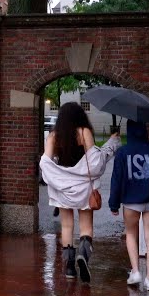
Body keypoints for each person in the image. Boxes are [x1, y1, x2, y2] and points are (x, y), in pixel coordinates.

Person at [40, 102, 116, 283]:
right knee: (86, 227)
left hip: (62, 189)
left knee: (66, 226)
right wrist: (110, 145)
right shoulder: (84, 133)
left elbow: (46, 164)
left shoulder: (53, 137)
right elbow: (95, 162)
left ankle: (69, 267)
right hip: (84, 187)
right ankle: (83, 255)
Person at [108, 120, 149, 291]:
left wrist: (114, 203)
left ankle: (136, 272)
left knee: (131, 234)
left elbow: (116, 180)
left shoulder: (123, 152)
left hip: (131, 200)